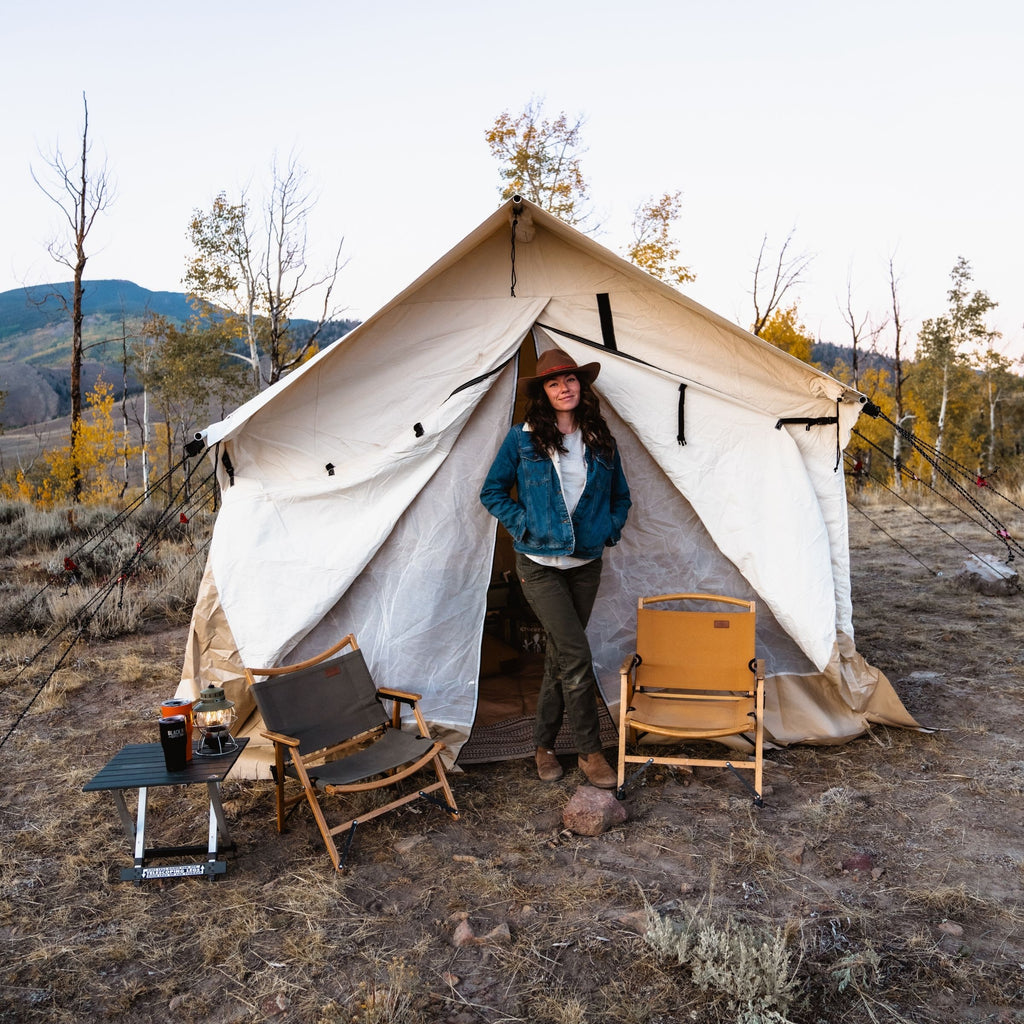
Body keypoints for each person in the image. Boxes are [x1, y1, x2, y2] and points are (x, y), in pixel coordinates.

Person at [480, 348, 631, 788]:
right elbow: (492, 492)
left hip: (585, 563)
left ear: (581, 387)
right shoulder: (522, 439)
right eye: (553, 383)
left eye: (570, 380)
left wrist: (609, 528)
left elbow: (620, 497)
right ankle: (589, 752)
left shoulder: (602, 440)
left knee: (561, 659)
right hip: (539, 564)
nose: (563, 388)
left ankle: (543, 745)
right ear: (543, 393)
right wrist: (524, 522)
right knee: (577, 657)